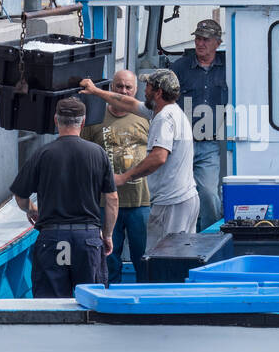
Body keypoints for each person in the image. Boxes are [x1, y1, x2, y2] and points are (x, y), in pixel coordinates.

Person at [8, 97, 117, 298]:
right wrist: (107, 234)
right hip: (87, 240)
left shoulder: (42, 153)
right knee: (91, 302)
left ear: (56, 120)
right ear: (83, 122)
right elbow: (112, 199)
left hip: (52, 239)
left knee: (51, 304)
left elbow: (20, 195)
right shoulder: (98, 153)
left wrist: (31, 209)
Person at [90, 69, 198, 251]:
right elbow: (127, 103)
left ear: (159, 92)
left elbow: (158, 157)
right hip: (185, 199)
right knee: (181, 256)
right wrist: (95, 91)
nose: (144, 90)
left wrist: (124, 177)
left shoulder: (164, 118)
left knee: (162, 258)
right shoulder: (166, 111)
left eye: (148, 86)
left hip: (171, 202)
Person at [82, 70, 151, 284]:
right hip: (105, 202)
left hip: (140, 201)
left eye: (128, 87)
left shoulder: (145, 116)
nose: (123, 91)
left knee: (144, 259)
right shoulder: (95, 119)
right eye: (119, 86)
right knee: (109, 258)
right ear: (112, 88)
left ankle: (146, 301)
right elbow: (84, 155)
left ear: (136, 90)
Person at [173, 18, 228, 230]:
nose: (200, 43)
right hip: (181, 143)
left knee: (208, 193)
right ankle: (177, 240)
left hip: (209, 144)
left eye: (205, 39)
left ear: (218, 42)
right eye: (197, 38)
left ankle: (211, 238)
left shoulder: (229, 67)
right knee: (176, 195)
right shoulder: (179, 68)